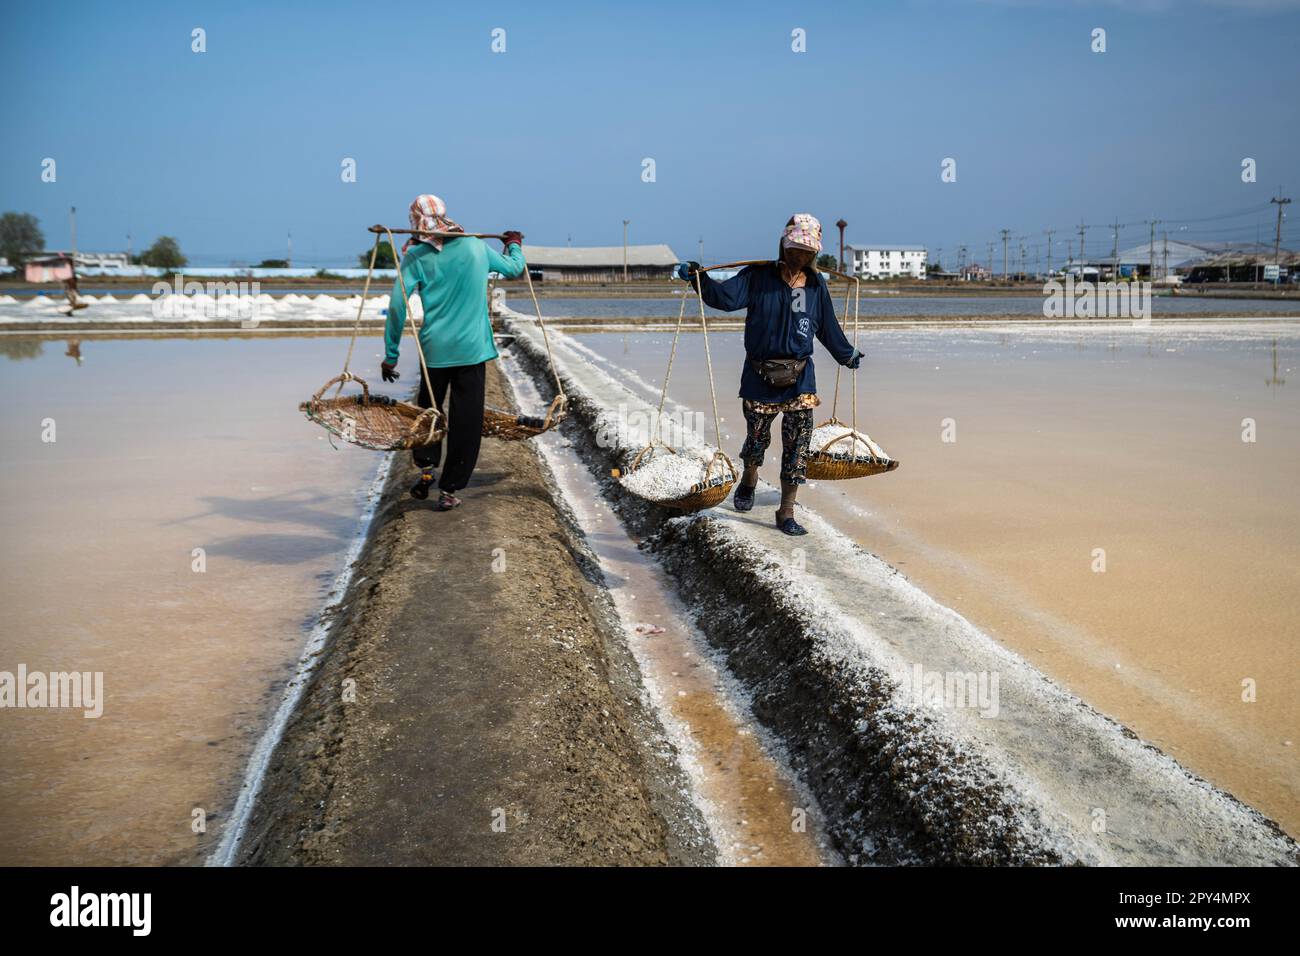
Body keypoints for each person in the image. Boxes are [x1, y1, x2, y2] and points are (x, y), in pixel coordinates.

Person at [676, 213, 861, 536]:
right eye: (794, 250)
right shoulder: (758, 278)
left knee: (797, 446)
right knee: (757, 438)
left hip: (800, 378)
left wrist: (847, 354)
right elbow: (725, 298)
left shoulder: (815, 286)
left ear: (814, 254)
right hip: (760, 375)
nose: (799, 256)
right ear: (783, 246)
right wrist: (698, 279)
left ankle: (786, 510)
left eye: (806, 252)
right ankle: (749, 478)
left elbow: (828, 328)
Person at [381, 194, 525, 511]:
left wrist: (391, 354)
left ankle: (428, 469)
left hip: (434, 350)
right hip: (472, 351)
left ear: (415, 223)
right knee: (466, 421)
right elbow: (515, 268)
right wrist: (513, 243)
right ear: (446, 216)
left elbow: (396, 306)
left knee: (429, 412)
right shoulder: (476, 246)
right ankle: (449, 489)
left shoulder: (416, 256)